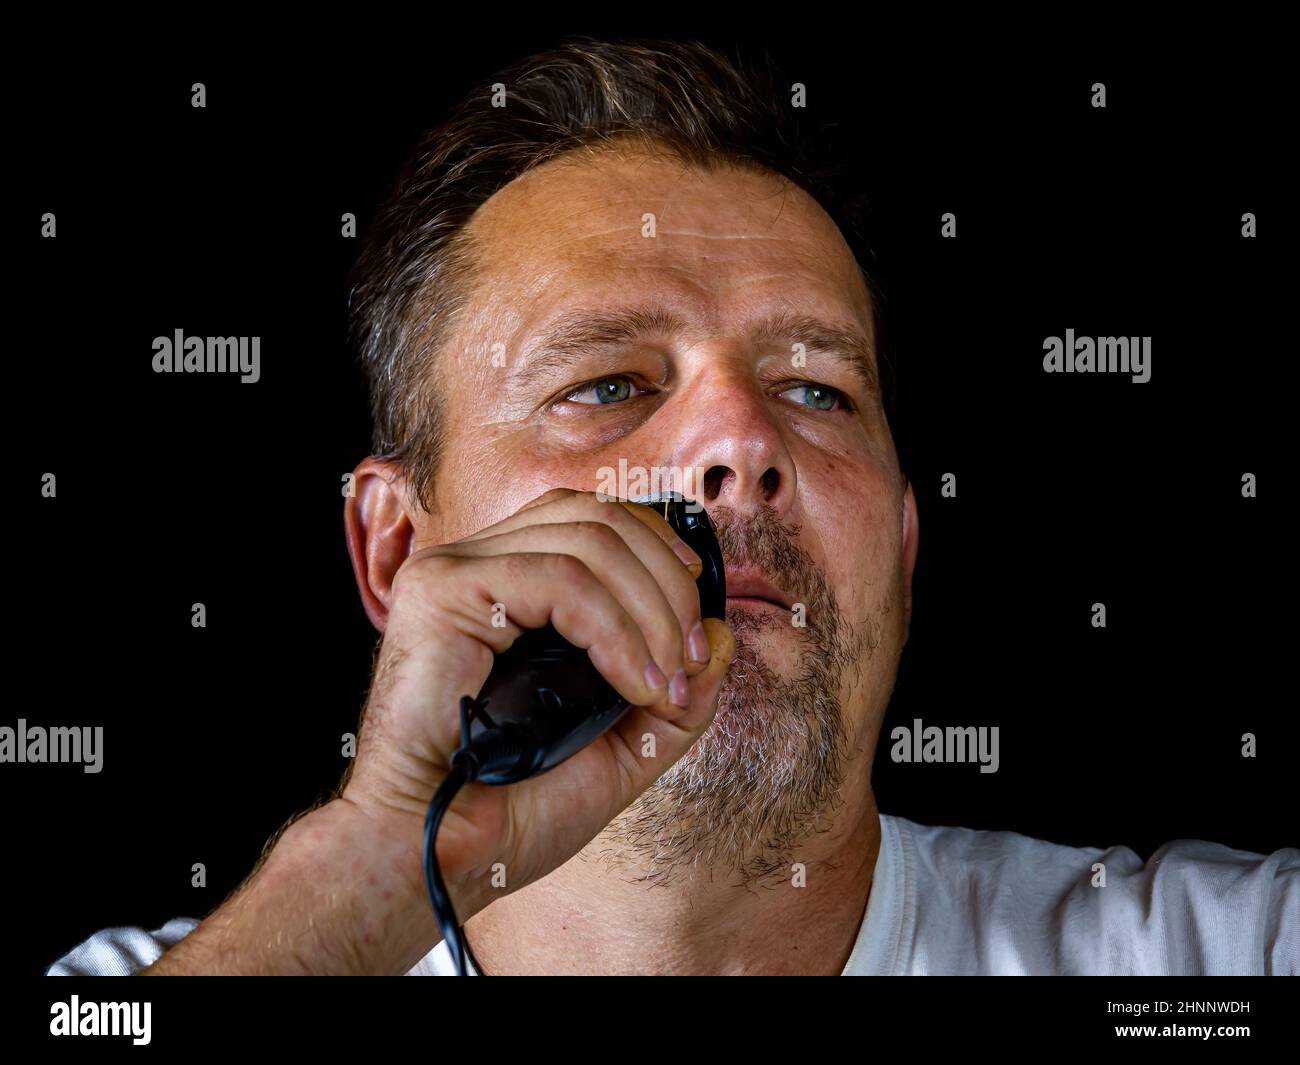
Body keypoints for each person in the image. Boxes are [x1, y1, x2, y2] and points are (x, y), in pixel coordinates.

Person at [47, 38, 1297, 977]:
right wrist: (360, 884)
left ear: (904, 548)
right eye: (607, 385)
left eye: (814, 386)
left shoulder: (1223, 965)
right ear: (395, 550)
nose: (741, 445)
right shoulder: (135, 994)